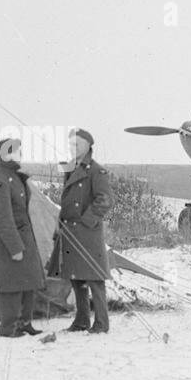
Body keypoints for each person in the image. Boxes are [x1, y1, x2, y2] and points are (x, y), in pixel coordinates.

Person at [46, 128, 112, 333]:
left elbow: (105, 200)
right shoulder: (71, 168)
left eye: (77, 144)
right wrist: (60, 226)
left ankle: (101, 323)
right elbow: (66, 202)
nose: (73, 147)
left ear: (88, 146)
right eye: (71, 144)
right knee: (76, 277)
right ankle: (82, 320)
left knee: (95, 278)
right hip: (69, 231)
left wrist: (86, 221)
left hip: (87, 232)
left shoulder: (97, 171)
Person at [0, 137, 45, 338]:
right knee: (11, 285)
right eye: (14, 151)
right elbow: (3, 218)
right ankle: (8, 328)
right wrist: (14, 247)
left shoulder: (13, 176)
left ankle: (24, 323)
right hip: (10, 241)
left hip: (24, 238)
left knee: (28, 281)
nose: (19, 154)